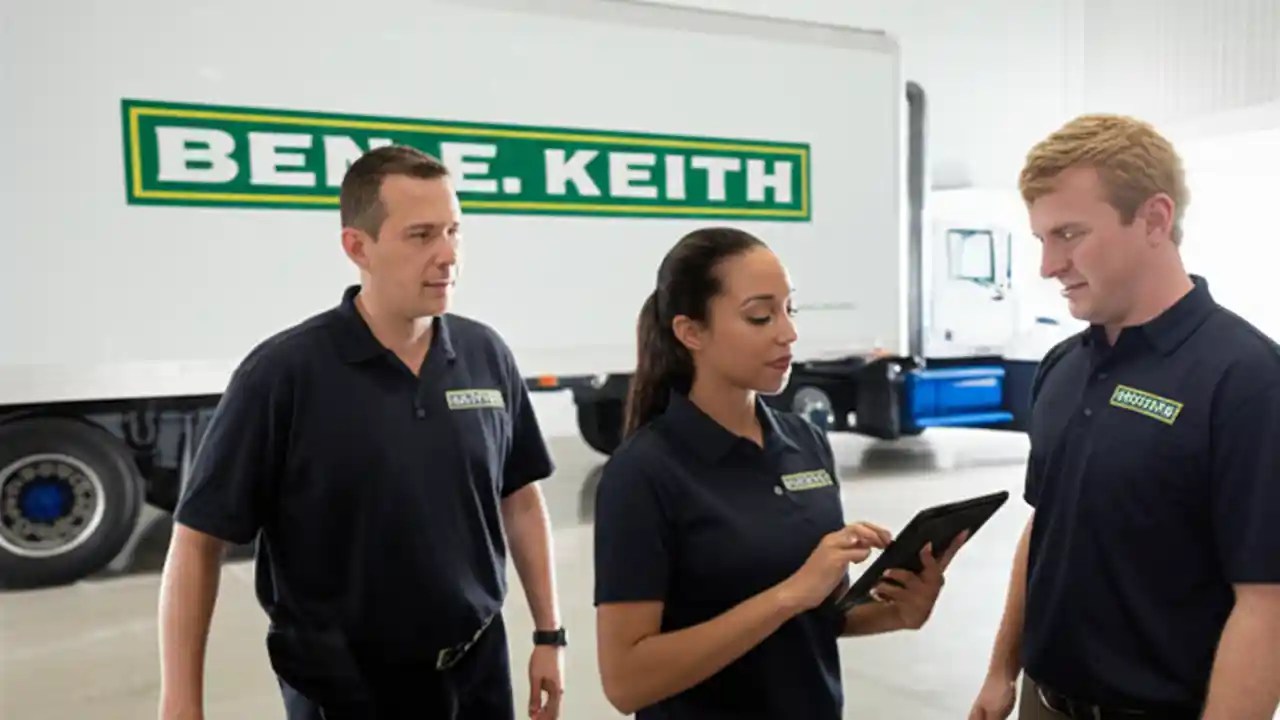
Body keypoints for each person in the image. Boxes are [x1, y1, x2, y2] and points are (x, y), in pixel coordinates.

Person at [157, 145, 566, 720]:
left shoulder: (485, 354)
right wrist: (181, 703)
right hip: (345, 690)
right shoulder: (284, 375)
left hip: (477, 674)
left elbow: (519, 498)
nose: (448, 255)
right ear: (358, 247)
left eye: (454, 231)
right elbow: (197, 542)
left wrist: (550, 635)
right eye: (421, 236)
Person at [968, 114, 1280, 720]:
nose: (1048, 265)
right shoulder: (1062, 367)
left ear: (1155, 220)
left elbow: (1266, 603)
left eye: (1070, 234)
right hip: (1043, 701)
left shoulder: (1248, 380)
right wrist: (1002, 670)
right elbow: (1046, 528)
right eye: (1041, 240)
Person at [591, 227, 968, 719]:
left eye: (791, 310)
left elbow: (821, 616)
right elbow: (627, 682)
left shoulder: (805, 443)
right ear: (691, 332)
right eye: (760, 316)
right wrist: (789, 595)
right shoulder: (644, 473)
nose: (788, 332)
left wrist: (895, 613)